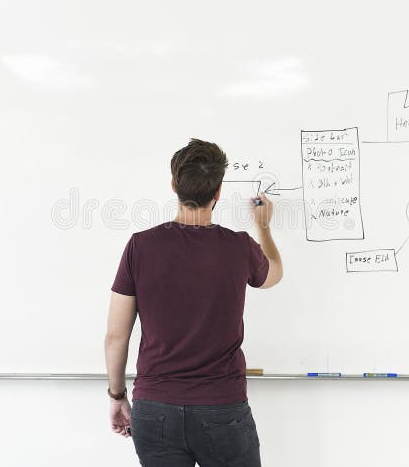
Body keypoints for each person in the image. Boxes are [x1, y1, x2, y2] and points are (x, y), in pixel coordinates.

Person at [104, 138, 283, 466]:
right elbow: (274, 275)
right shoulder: (239, 247)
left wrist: (117, 396)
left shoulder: (140, 246)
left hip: (154, 411)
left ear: (173, 185)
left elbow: (116, 336)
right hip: (222, 409)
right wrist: (264, 227)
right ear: (217, 193)